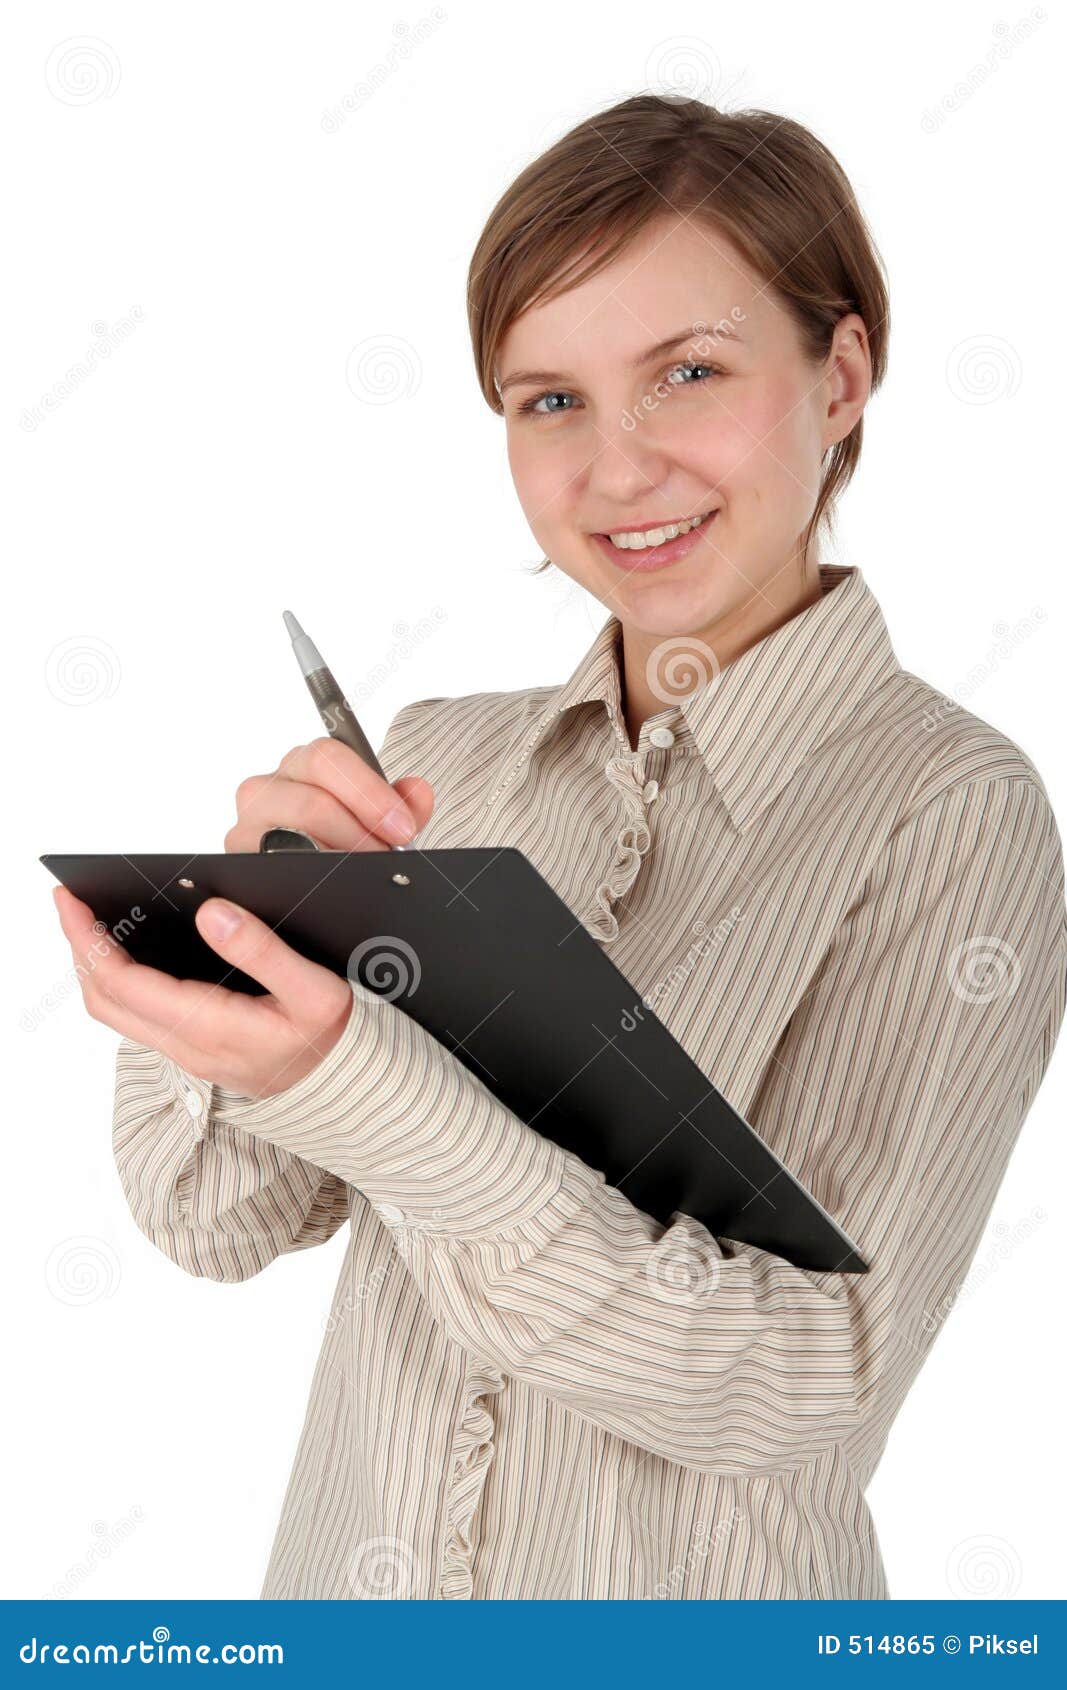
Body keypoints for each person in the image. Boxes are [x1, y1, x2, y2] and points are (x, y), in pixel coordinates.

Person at [54, 94, 1066, 1600]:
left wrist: (373, 1090)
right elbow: (214, 1218)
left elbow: (805, 1389)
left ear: (841, 374)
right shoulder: (439, 761)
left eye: (691, 374)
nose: (615, 469)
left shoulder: (952, 811)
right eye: (550, 401)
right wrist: (235, 936)